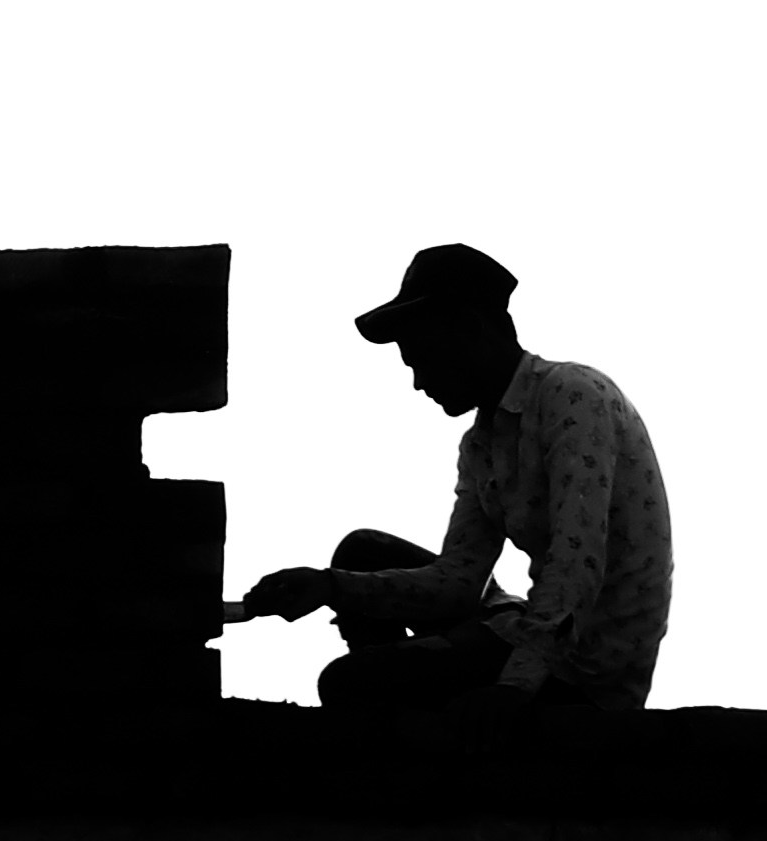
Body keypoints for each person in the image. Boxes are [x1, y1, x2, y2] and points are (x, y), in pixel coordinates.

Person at [231, 243, 673, 711]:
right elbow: (459, 581)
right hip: (525, 627)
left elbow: (575, 565)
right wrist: (330, 587)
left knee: (349, 683)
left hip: (581, 671)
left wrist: (513, 690)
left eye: (423, 357)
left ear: (470, 330)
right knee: (360, 554)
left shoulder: (574, 397)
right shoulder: (482, 444)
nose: (420, 382)